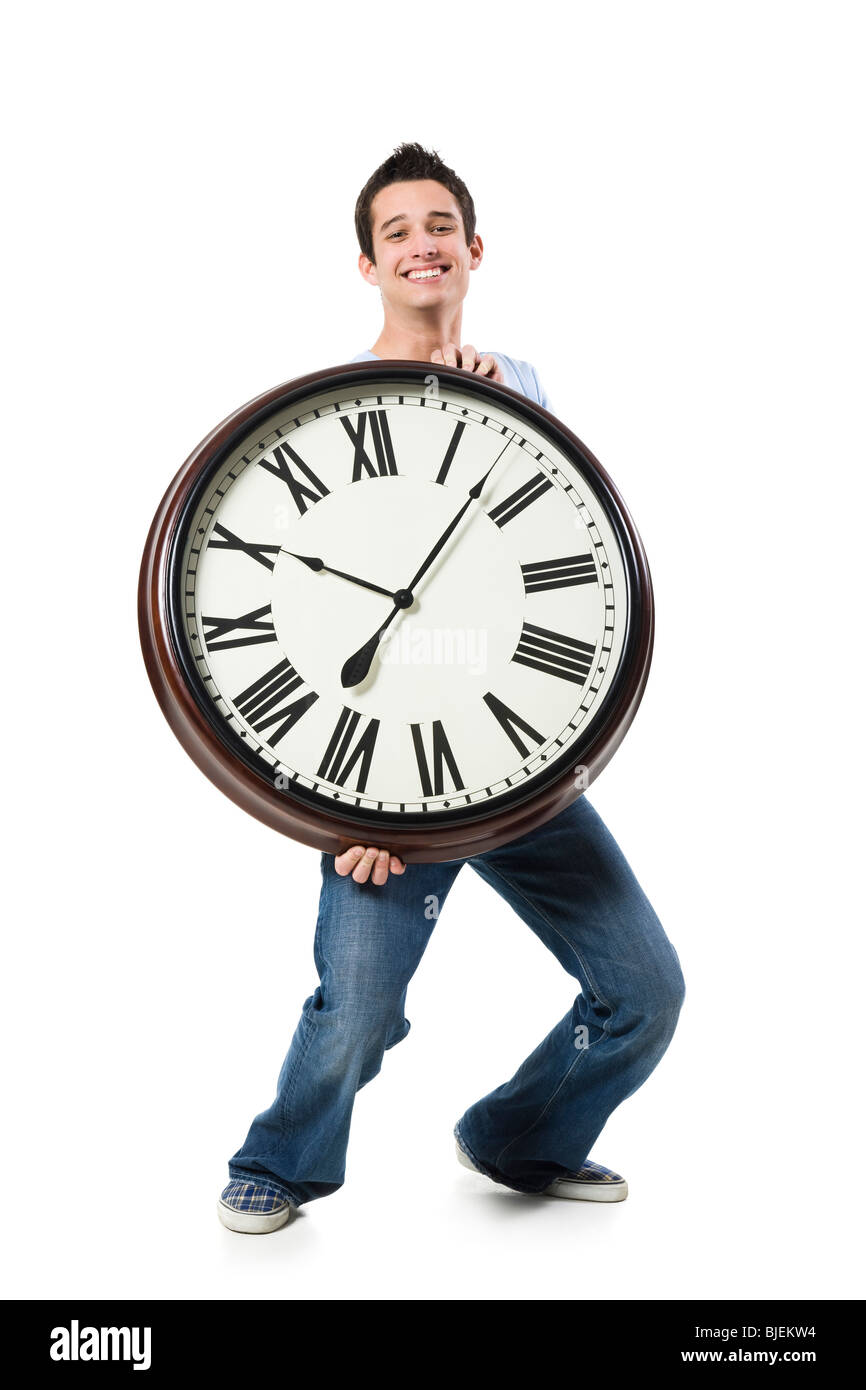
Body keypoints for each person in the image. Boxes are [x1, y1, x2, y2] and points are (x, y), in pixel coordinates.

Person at [218, 143, 686, 1234]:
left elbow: (552, 565)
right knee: (359, 1014)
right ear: (368, 266)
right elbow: (299, 640)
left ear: (472, 251)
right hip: (390, 792)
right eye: (396, 232)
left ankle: (520, 1135)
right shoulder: (327, 410)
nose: (421, 245)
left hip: (515, 769)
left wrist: (502, 401)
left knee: (643, 993)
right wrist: (347, 812)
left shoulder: (520, 387)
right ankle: (277, 1162)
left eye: (440, 226)